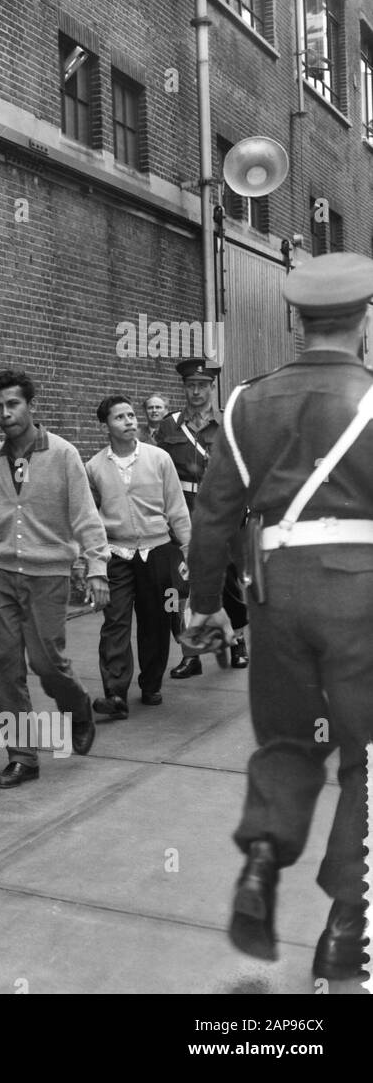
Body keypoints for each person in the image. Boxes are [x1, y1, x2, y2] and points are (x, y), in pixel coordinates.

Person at [186, 252, 373, 982]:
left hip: (276, 594)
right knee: (367, 760)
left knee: (289, 740)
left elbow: (214, 515)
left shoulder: (244, 404)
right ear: (363, 321)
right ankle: (345, 936)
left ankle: (263, 858)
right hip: (363, 595)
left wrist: (203, 605)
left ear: (297, 321)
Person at [0, 370, 109, 789]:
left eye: (13, 404)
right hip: (2, 575)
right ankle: (22, 757)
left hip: (48, 575)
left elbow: (85, 514)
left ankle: (78, 707)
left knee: (47, 663)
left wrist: (97, 567)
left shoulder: (63, 453)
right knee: (4, 667)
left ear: (31, 405)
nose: (4, 413)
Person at [84, 395, 191, 718]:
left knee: (156, 621)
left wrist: (189, 549)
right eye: (120, 417)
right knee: (115, 622)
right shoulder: (93, 467)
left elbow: (176, 508)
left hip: (157, 551)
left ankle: (151, 683)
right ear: (106, 426)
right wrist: (93, 563)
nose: (129, 421)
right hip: (116, 554)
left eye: (131, 415)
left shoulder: (159, 459)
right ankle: (115, 694)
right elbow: (89, 520)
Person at [156, 359, 249, 675]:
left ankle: (237, 642)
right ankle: (191, 653)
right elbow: (159, 470)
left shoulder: (230, 424)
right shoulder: (169, 426)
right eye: (190, 385)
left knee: (227, 583)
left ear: (212, 387)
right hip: (181, 512)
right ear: (184, 388)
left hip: (220, 513)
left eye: (202, 385)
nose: (196, 391)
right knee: (180, 588)